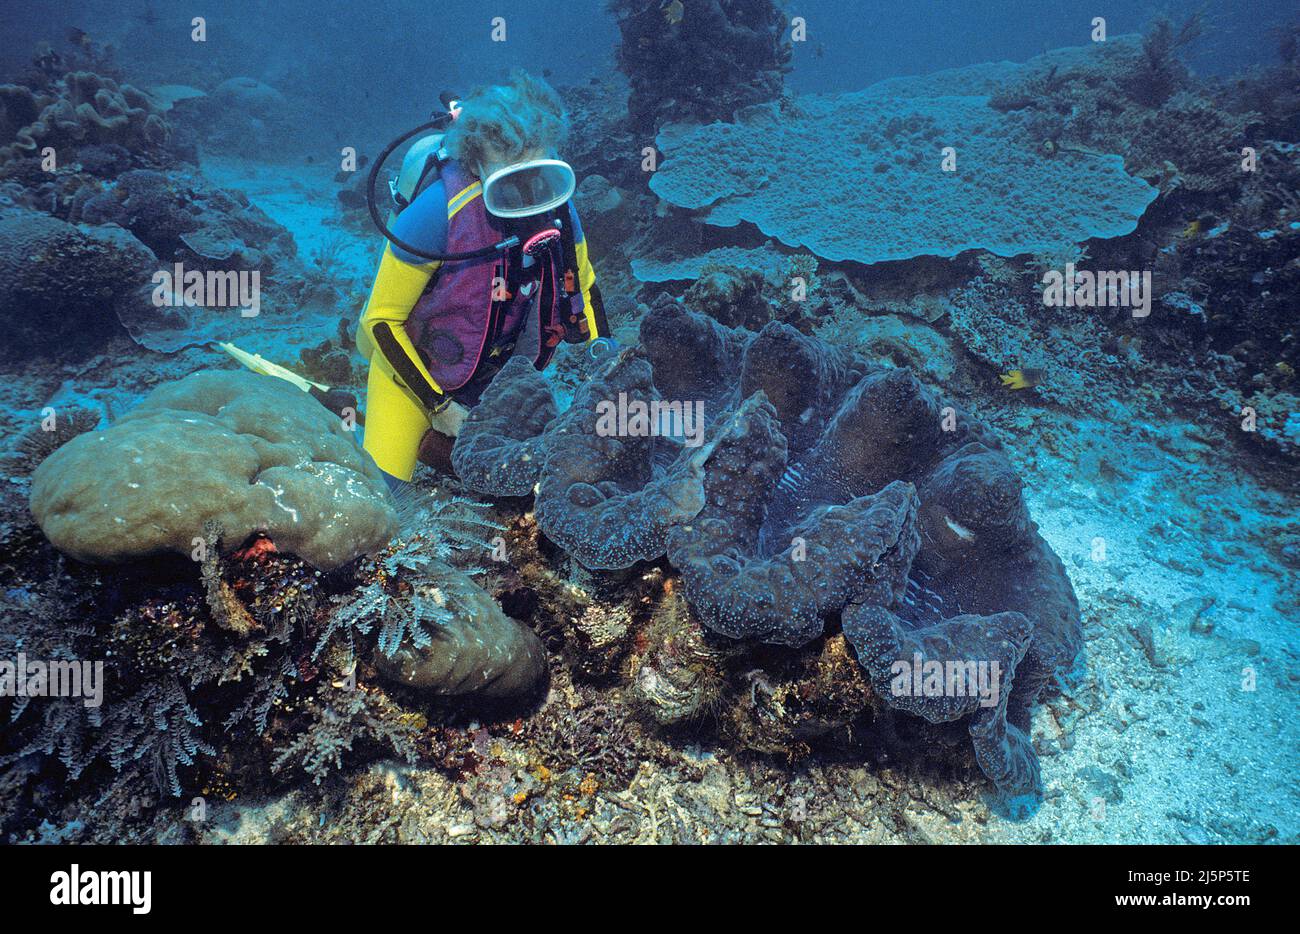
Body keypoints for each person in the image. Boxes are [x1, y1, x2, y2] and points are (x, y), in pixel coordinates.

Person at [357, 71, 610, 487]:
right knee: (384, 501)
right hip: (413, 373)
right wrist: (440, 408)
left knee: (531, 483)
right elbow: (381, 320)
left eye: (539, 177)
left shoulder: (559, 209)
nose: (530, 199)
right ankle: (363, 417)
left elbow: (583, 283)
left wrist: (605, 362)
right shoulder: (438, 212)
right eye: (512, 183)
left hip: (495, 375)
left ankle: (433, 446)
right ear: (476, 166)